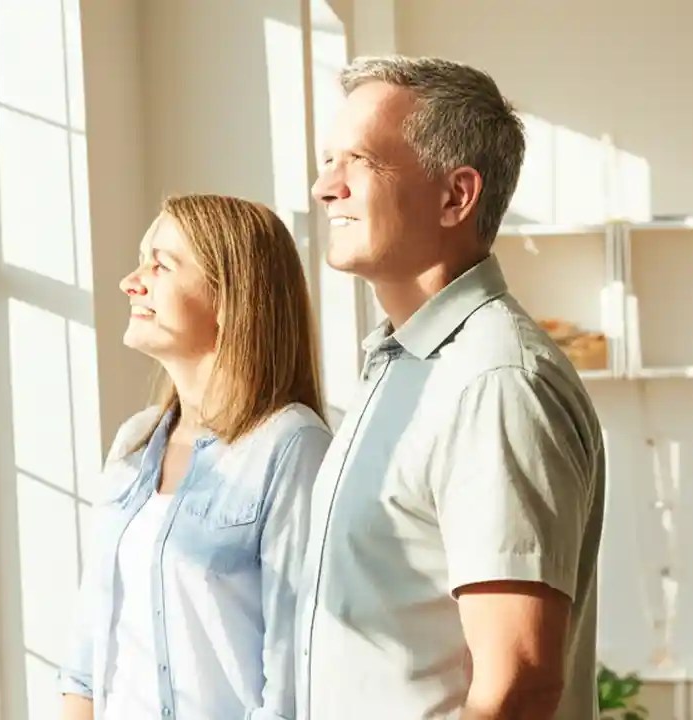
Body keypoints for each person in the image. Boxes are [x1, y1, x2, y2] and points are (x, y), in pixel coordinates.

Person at [295, 56, 606, 720]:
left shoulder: (493, 381)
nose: (325, 188)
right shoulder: (401, 365)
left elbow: (517, 681)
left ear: (455, 196)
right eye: (328, 160)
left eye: (360, 162)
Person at [59, 194, 332, 720]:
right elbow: (85, 659)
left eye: (160, 263)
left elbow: (292, 686)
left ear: (231, 298)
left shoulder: (292, 446)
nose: (131, 281)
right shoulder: (134, 441)